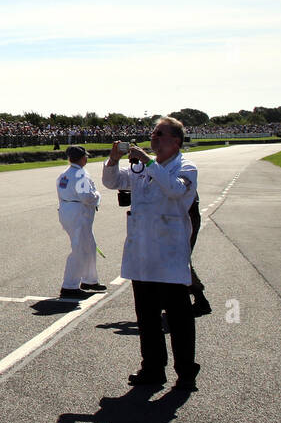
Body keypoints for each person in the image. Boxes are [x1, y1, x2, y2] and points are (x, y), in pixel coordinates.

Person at [101, 116, 201, 391]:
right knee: (146, 316)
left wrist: (149, 163)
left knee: (179, 318)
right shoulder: (144, 168)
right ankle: (153, 368)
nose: (153, 137)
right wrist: (113, 160)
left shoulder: (186, 167)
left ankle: (186, 372)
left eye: (159, 134)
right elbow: (113, 182)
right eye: (153, 133)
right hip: (142, 253)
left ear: (175, 141)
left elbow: (175, 190)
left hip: (168, 253)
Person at [55, 146, 102, 300]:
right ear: (81, 158)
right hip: (78, 212)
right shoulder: (80, 174)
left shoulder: (65, 173)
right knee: (80, 249)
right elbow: (87, 196)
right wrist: (98, 196)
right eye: (85, 156)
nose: (86, 159)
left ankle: (89, 280)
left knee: (89, 245)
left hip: (67, 209)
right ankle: (70, 285)